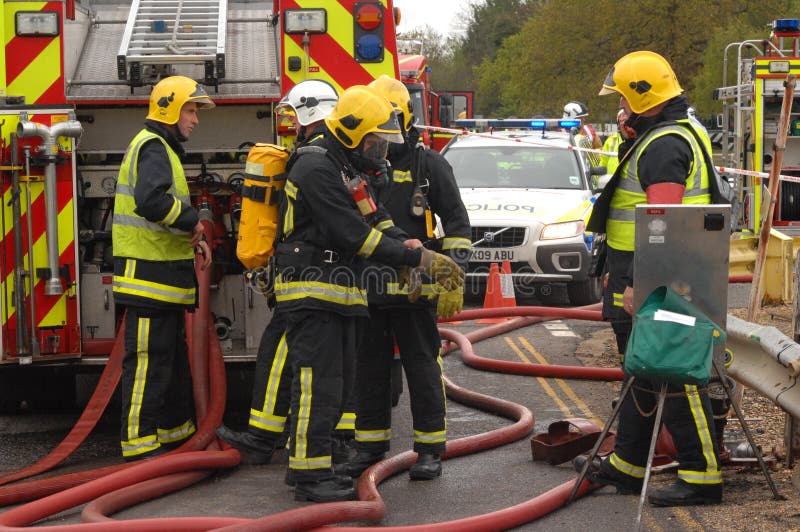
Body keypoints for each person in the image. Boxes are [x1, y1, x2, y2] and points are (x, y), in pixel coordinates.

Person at [274, 84, 464, 502]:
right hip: (311, 288)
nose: (381, 151)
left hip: (337, 291)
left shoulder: (344, 166)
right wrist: (418, 261)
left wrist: (411, 245)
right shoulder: (316, 167)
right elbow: (354, 235)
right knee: (316, 384)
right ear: (355, 134)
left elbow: (374, 219)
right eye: (376, 142)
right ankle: (309, 477)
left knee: (336, 386)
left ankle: (318, 468)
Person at [576, 50, 722, 507]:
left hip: (662, 275)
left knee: (677, 371)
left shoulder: (664, 146)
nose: (618, 104)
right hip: (660, 270)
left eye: (622, 96)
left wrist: (644, 283)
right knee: (643, 365)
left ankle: (702, 478)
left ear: (644, 98)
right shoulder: (666, 135)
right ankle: (628, 463)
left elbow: (663, 224)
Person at [343, 75, 471, 481]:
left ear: (403, 119)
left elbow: (458, 223)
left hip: (416, 290)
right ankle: (370, 446)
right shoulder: (357, 165)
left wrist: (452, 272)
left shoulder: (427, 164)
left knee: (422, 367)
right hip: (369, 288)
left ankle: (430, 448)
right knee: (370, 369)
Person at [215, 79, 343, 465]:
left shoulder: (311, 159)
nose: (290, 124)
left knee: (283, 352)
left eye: (293, 115)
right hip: (321, 272)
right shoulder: (331, 153)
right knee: (302, 358)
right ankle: (284, 436)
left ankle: (266, 439)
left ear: (307, 113)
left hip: (307, 273)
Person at [112, 75, 213, 461]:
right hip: (149, 279)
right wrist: (194, 223)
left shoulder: (162, 148)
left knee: (168, 362)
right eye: (190, 109)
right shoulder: (153, 146)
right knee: (149, 363)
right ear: (170, 108)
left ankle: (176, 434)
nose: (195, 119)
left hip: (162, 280)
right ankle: (138, 444)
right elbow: (151, 201)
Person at [563, 100, 603, 165]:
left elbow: (599, 148)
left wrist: (594, 155)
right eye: (581, 117)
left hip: (589, 170)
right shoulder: (560, 134)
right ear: (573, 119)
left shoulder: (589, 132)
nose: (584, 119)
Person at [598, 109, 629, 177]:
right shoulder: (610, 140)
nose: (623, 123)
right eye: (621, 121)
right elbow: (603, 162)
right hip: (610, 181)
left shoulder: (638, 138)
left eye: (625, 120)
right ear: (618, 124)